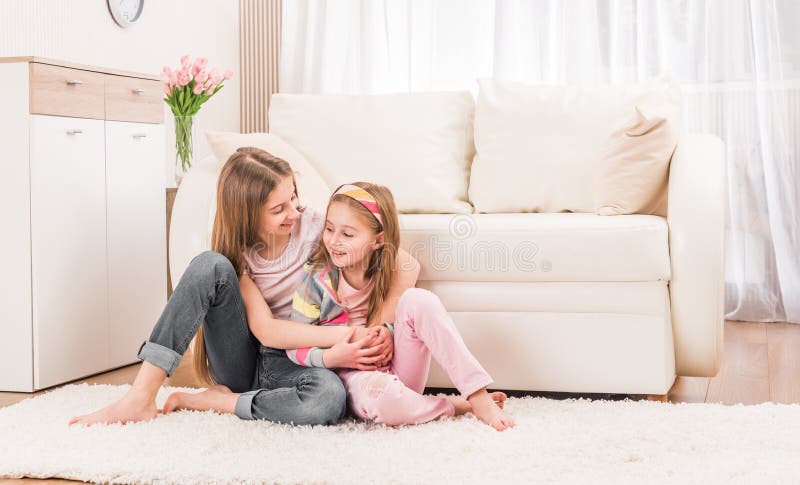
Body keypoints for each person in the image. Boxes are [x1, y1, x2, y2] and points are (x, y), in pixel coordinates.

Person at [69, 148, 418, 426]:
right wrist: (347, 335)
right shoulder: (240, 257)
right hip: (244, 360)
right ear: (248, 214)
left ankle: (221, 402)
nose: (294, 212)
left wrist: (378, 330)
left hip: (297, 361)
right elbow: (266, 331)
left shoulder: (316, 229)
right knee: (208, 264)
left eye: (293, 198)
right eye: (278, 209)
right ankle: (139, 397)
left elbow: (405, 262)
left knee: (329, 397)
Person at [285, 182, 514, 431]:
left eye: (348, 234)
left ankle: (477, 396)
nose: (333, 241)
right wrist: (331, 357)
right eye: (329, 229)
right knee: (383, 400)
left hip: (400, 370)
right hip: (356, 381)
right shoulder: (315, 280)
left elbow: (402, 323)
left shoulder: (389, 271)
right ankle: (453, 406)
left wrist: (389, 332)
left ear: (378, 240)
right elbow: (295, 344)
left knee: (420, 299)